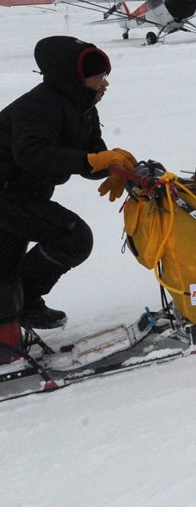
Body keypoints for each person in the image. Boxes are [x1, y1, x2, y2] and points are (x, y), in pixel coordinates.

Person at [0, 36, 136, 364]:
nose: (105, 83)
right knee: (72, 236)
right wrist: (90, 162)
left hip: (21, 193)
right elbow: (33, 153)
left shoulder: (81, 107)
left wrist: (113, 164)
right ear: (73, 77)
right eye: (98, 76)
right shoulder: (40, 106)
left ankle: (9, 334)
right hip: (6, 194)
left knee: (4, 269)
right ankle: (23, 310)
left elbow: (90, 154)